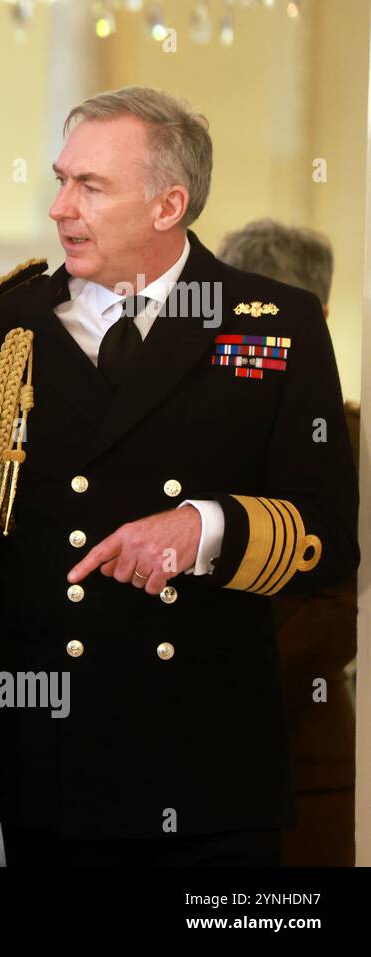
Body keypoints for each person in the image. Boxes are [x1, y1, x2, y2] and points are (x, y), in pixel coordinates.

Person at [0, 87, 358, 866]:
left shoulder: (274, 323)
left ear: (169, 204)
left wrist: (205, 527)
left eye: (89, 186)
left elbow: (331, 538)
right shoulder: (1, 328)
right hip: (49, 769)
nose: (60, 207)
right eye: (61, 179)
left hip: (209, 773)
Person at [218, 218, 356, 866]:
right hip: (180, 763)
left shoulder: (353, 442)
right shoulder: (195, 429)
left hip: (304, 754)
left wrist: (217, 694)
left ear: (317, 319)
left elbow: (340, 613)